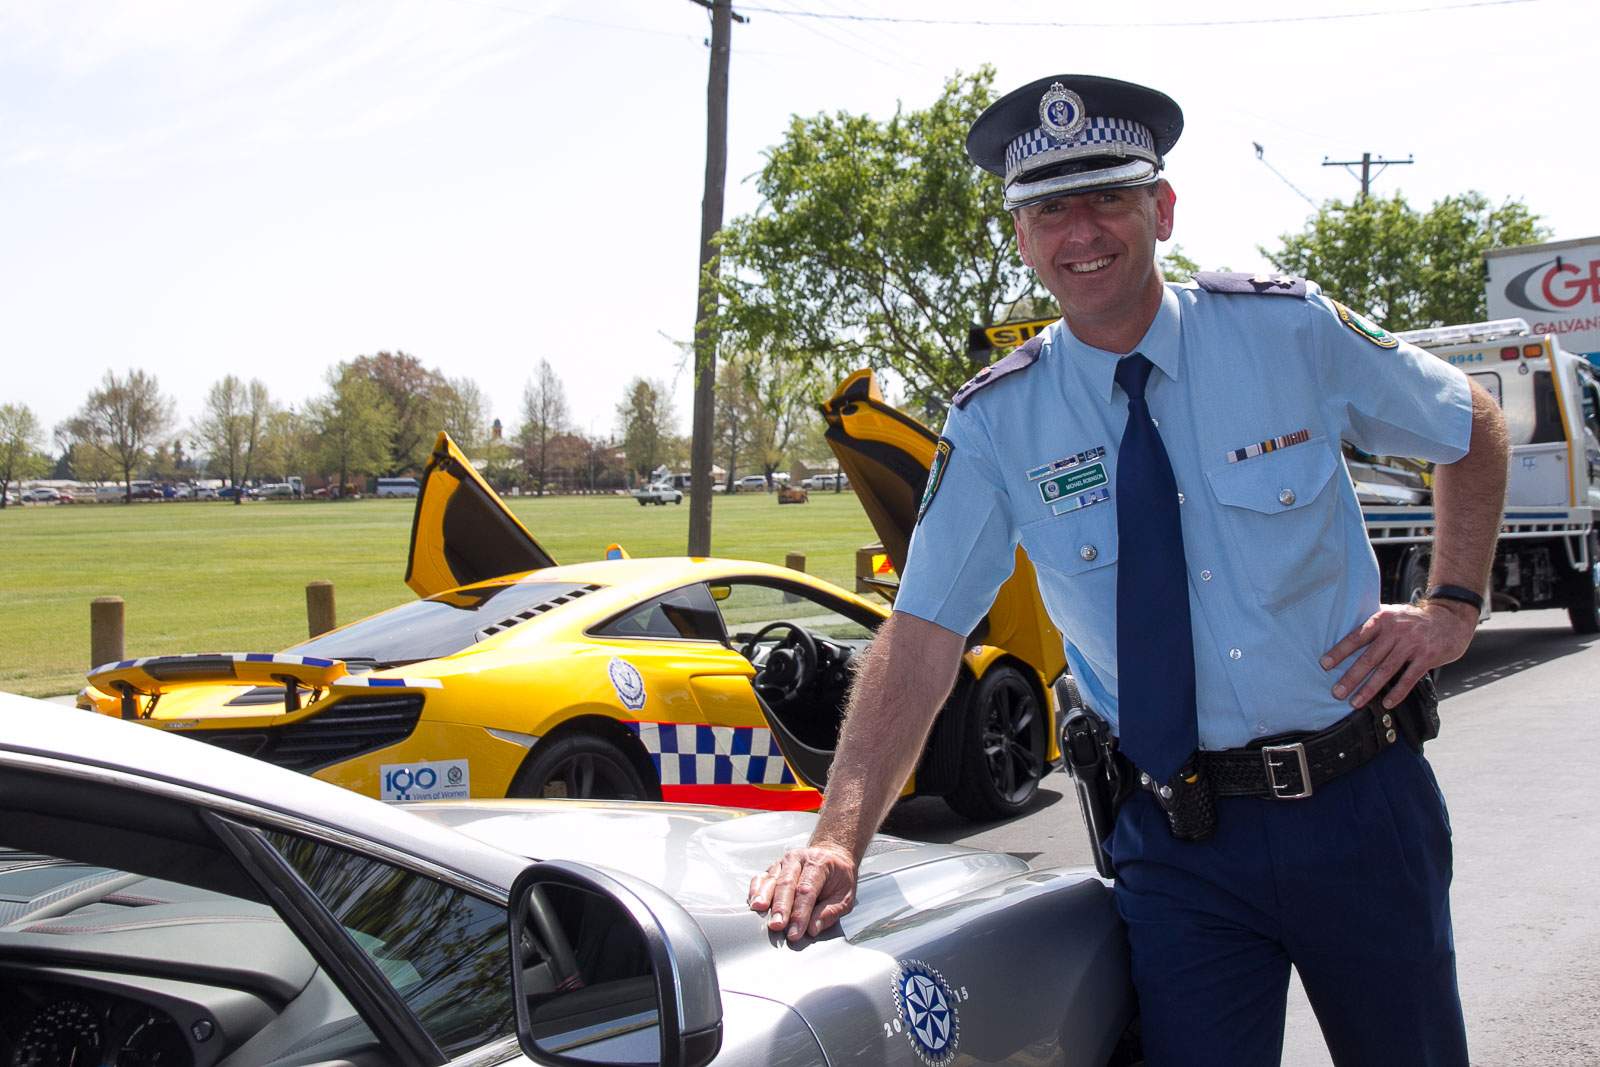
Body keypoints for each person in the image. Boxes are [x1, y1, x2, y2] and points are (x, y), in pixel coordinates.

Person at [748, 73, 1508, 1066]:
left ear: (1162, 207)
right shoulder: (995, 423)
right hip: (1178, 846)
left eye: (1107, 194)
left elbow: (1469, 426)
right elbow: (924, 632)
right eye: (1047, 208)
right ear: (1020, 236)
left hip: (1358, 807)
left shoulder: (1286, 331)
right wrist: (837, 836)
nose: (1081, 229)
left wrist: (1453, 603)